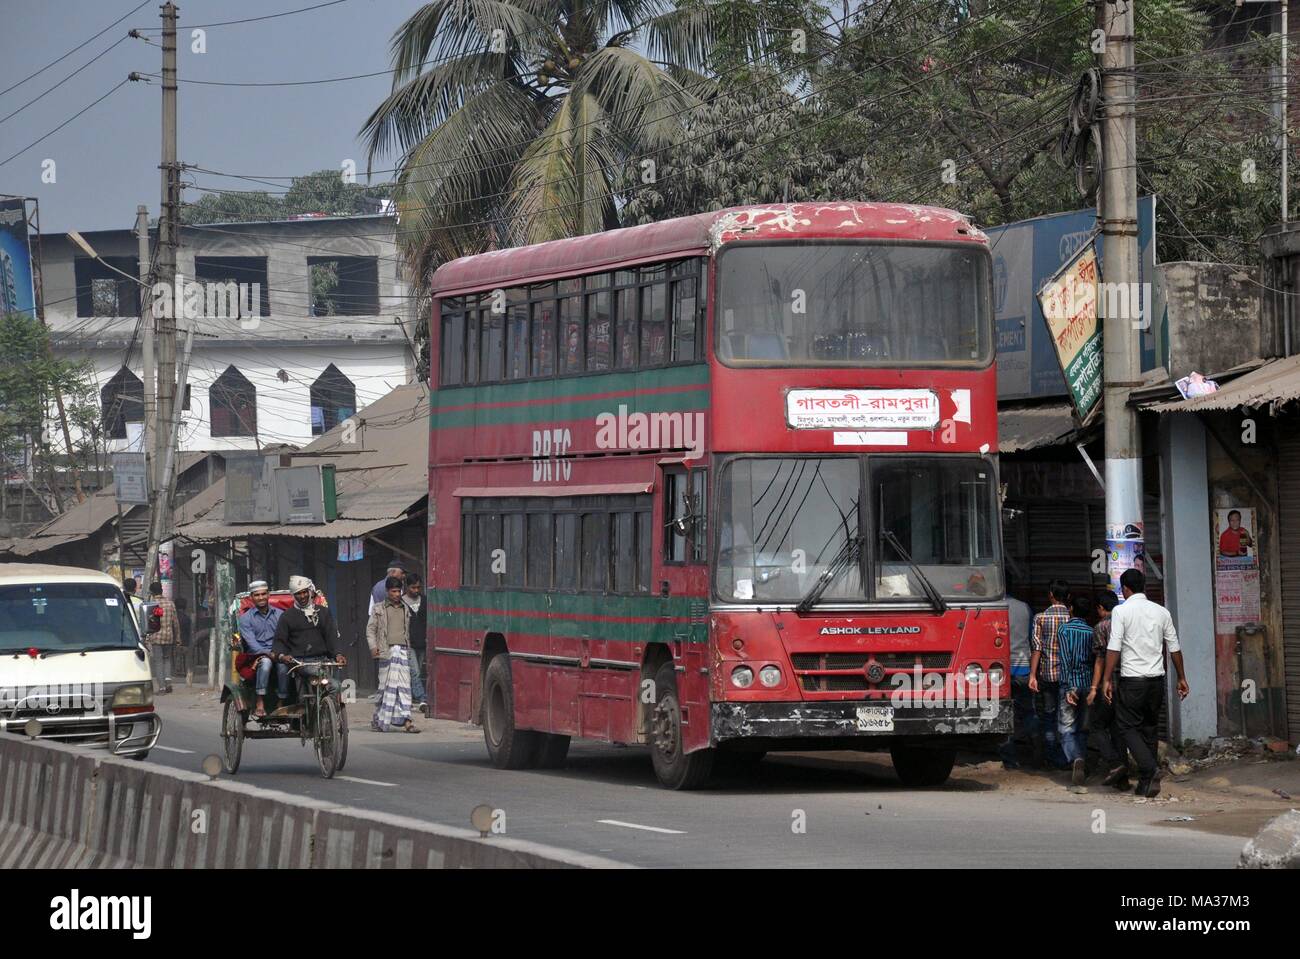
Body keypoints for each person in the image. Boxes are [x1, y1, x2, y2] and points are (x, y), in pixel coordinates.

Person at [1102, 569, 1190, 798]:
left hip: (1132, 681)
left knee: (1126, 726)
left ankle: (1150, 769)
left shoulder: (1121, 611)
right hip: (1156, 682)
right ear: (1144, 587)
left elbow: (1114, 647)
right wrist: (1181, 678)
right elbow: (1174, 647)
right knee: (1149, 729)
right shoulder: (1162, 612)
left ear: (1125, 589)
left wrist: (1106, 680)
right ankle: (1145, 783)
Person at [273, 576, 346, 698]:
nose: (302, 596)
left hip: (323, 661)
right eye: (298, 594)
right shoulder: (287, 617)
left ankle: (330, 714)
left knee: (336, 687)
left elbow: (332, 636)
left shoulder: (323, 612)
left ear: (310, 592)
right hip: (301, 663)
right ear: (293, 595)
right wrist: (282, 655)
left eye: (304, 592)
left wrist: (338, 654)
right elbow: (280, 641)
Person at [1088, 590, 1130, 790]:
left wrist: (1095, 688)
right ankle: (1122, 780)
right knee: (1118, 729)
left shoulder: (1101, 626)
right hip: (1131, 681)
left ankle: (1115, 763)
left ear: (1100, 608)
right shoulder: (1128, 622)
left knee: (1096, 725)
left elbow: (1100, 660)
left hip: (1110, 683)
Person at [1028, 580, 1072, 770]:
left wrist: (1032, 675)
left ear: (1051, 595)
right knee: (1067, 717)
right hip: (1068, 677)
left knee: (1049, 715)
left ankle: (1051, 757)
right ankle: (1068, 757)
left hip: (1047, 675)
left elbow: (1037, 649)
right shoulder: (1071, 619)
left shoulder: (1040, 618)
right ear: (1067, 597)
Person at [368, 575, 418, 733]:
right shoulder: (378, 609)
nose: (397, 594)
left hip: (403, 652)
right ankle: (379, 719)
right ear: (388, 591)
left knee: (404, 688)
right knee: (385, 689)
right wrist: (373, 647)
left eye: (399, 591)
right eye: (394, 591)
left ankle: (408, 721)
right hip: (386, 652)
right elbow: (370, 630)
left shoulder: (405, 608)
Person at [1056, 595, 1097, 786]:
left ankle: (1075, 758)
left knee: (1066, 727)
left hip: (1070, 684)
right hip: (1089, 684)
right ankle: (1082, 760)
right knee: (1083, 727)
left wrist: (1068, 687)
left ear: (1071, 609)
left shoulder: (1064, 630)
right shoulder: (1091, 631)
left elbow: (1065, 661)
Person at [237, 580, 287, 717]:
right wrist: (268, 653)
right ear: (251, 597)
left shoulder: (280, 614)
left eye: (263, 594)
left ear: (268, 595)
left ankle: (281, 702)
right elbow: (252, 643)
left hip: (278, 652)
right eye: (257, 595)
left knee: (284, 667)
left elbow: (285, 637)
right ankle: (260, 701)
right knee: (265, 664)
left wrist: (278, 653)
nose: (261, 597)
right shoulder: (245, 618)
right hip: (257, 654)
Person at [998, 593, 1036, 769]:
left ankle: (1010, 760)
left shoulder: (993, 605)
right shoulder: (1024, 607)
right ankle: (1037, 750)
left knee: (1002, 715)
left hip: (1001, 669)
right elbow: (1031, 637)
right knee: (1028, 712)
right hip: (1023, 667)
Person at [146, 581, 179, 694]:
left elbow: (148, 623)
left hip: (156, 637)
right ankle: (168, 683)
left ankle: (162, 687)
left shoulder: (151, 605)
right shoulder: (170, 604)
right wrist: (178, 637)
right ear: (162, 590)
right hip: (168, 636)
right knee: (167, 660)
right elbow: (176, 623)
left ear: (152, 592)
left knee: (158, 662)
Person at [403, 572, 428, 713]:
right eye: (413, 587)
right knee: (415, 671)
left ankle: (410, 697)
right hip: (409, 643)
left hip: (422, 642)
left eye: (418, 587)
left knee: (417, 670)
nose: (416, 590)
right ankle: (422, 698)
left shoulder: (424, 600)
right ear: (407, 587)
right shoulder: (401, 602)